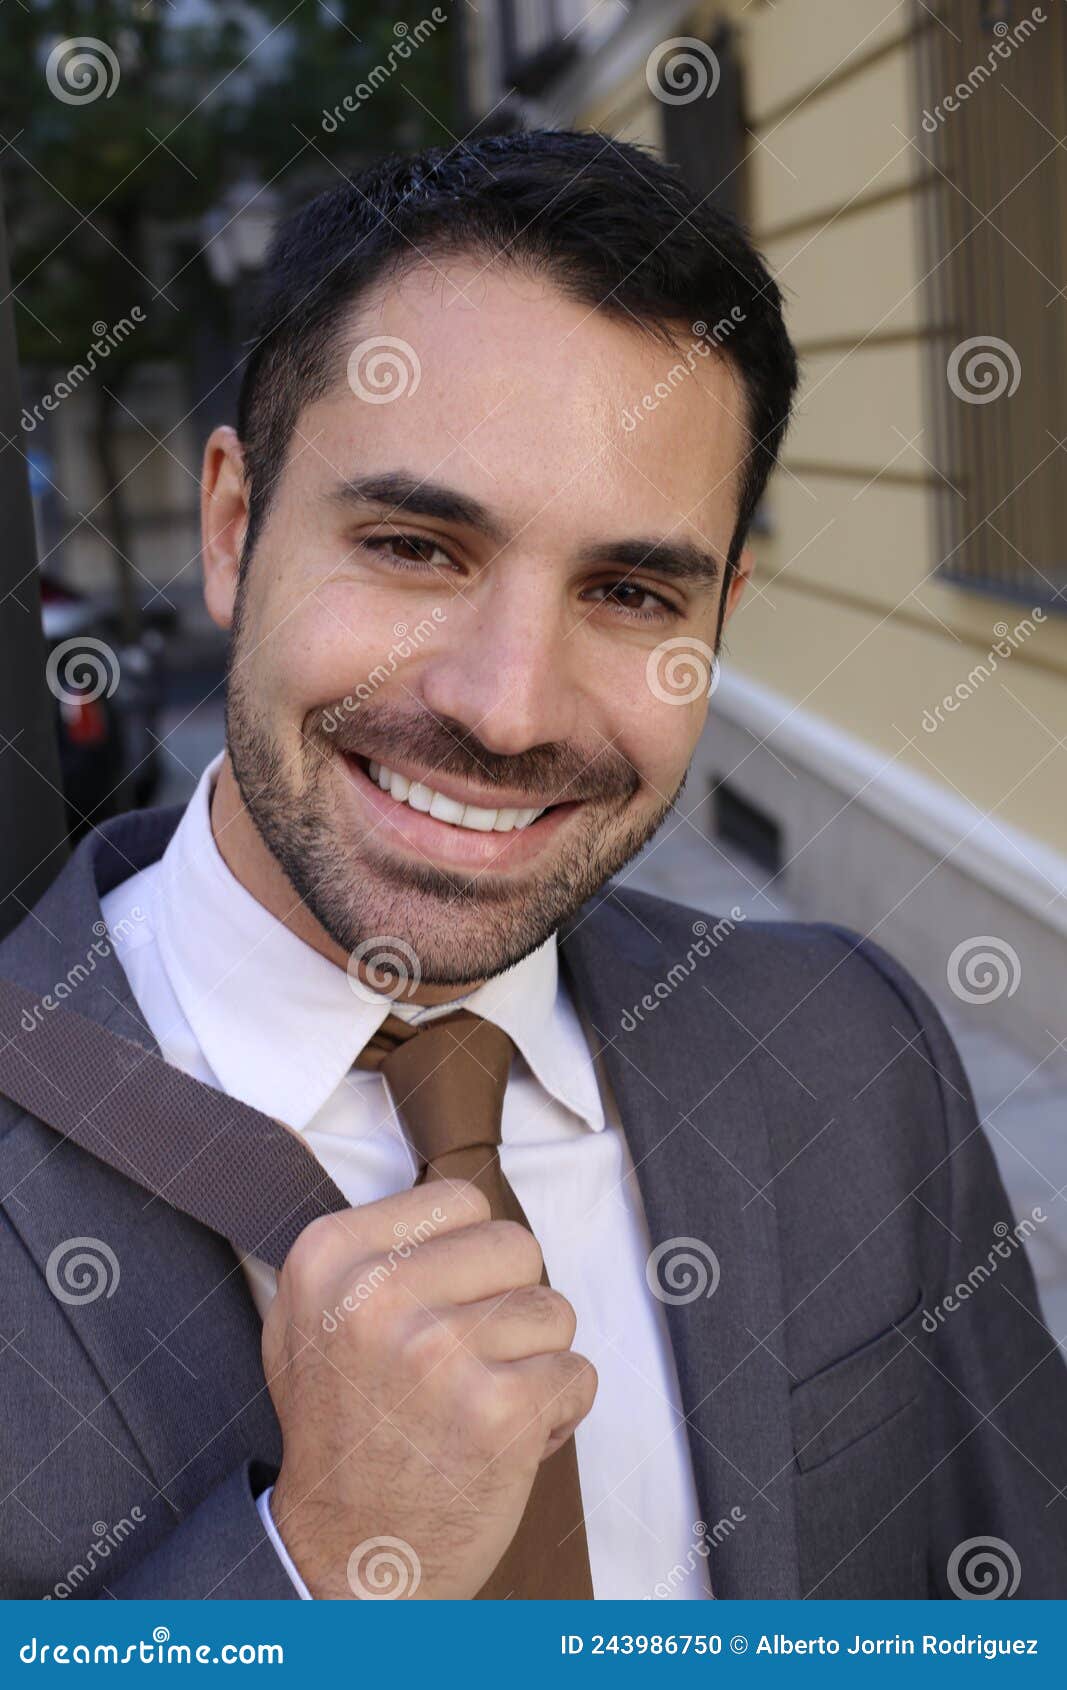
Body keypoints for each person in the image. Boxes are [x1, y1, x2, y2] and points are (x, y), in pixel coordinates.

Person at [1, 130, 1065, 1602]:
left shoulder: (852, 1054)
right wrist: (316, 1571)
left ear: (720, 613)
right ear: (236, 529)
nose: (507, 709)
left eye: (629, 591)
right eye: (415, 547)